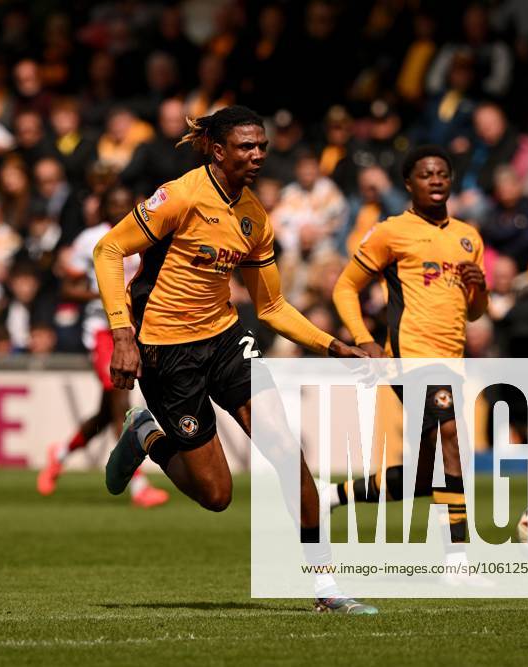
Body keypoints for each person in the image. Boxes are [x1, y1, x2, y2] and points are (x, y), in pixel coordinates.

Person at [92, 106, 375, 614]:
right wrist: (123, 334)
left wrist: (332, 346)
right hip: (165, 351)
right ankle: (147, 434)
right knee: (217, 494)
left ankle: (326, 587)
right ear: (218, 150)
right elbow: (109, 250)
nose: (259, 154)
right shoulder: (179, 196)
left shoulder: (254, 218)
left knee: (288, 453)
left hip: (225, 339)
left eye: (263, 146)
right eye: (247, 146)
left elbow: (271, 307)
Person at [329, 145, 490, 586]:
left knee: (423, 476)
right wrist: (363, 338)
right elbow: (345, 287)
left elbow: (473, 314)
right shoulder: (391, 232)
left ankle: (331, 495)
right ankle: (457, 562)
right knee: (452, 437)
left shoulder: (468, 237)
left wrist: (480, 290)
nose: (436, 180)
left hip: (451, 362)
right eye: (426, 174)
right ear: (408, 184)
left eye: (442, 173)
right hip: (410, 358)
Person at [37, 186, 169, 508]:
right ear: (104, 209)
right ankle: (138, 486)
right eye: (114, 204)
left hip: (138, 327)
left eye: (126, 203)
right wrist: (106, 296)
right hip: (103, 330)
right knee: (121, 401)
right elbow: (68, 288)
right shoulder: (90, 239)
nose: (121, 209)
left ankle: (61, 454)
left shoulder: (146, 235)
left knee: (106, 409)